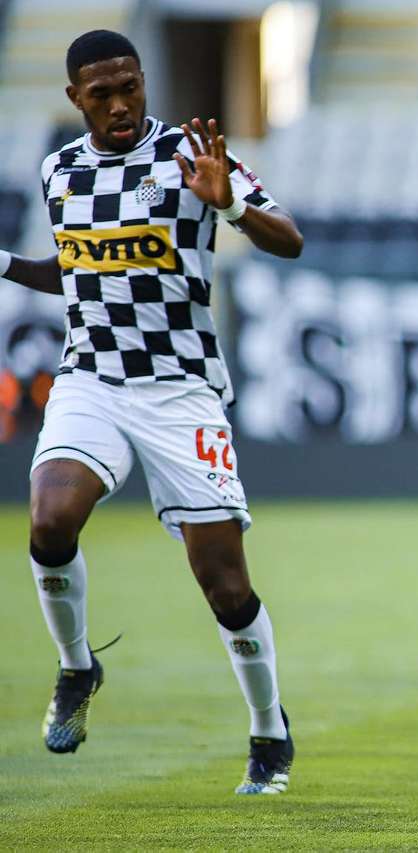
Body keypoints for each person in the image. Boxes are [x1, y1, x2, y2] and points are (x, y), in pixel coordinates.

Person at [0, 30, 304, 794]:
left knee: (224, 583)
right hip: (92, 377)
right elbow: (76, 273)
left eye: (130, 86)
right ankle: (77, 668)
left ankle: (269, 729)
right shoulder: (59, 171)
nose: (120, 103)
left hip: (181, 388)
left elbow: (289, 240)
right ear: (75, 100)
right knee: (49, 518)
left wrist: (229, 203)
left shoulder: (190, 154)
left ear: (144, 82)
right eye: (101, 93)